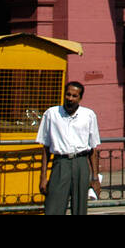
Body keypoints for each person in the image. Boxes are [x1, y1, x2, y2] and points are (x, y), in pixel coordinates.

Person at [36, 80, 101, 215]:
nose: (70, 99)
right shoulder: (51, 114)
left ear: (80, 98)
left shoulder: (88, 115)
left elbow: (93, 150)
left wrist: (94, 178)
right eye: (68, 95)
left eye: (74, 96)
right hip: (61, 163)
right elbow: (45, 147)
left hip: (81, 163)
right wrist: (43, 177)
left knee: (80, 207)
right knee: (53, 206)